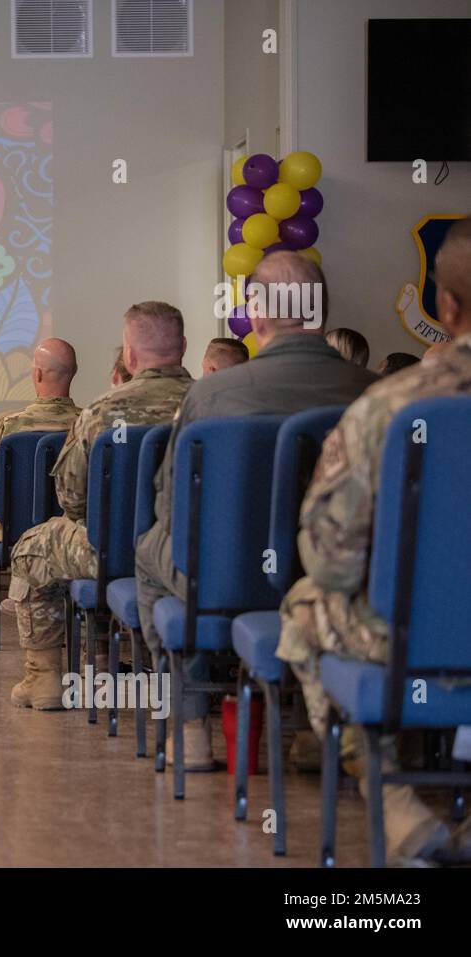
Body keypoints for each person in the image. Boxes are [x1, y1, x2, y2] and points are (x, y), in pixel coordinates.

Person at [134, 252, 378, 769]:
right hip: (340, 581)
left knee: (150, 550)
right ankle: (320, 728)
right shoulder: (373, 394)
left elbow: (170, 505)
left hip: (229, 580)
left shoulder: (213, 394)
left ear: (257, 314)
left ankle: (190, 724)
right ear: (321, 312)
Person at [278, 217, 471, 864]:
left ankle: (394, 800)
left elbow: (331, 560)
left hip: (412, 640)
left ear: (444, 306)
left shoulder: (391, 407)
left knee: (304, 607)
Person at [7, 302, 194, 708]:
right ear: (182, 345)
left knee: (29, 548)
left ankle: (46, 680)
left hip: (114, 553)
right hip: (199, 553)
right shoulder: (213, 402)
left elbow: (71, 499)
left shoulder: (103, 412)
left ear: (129, 354)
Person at [0, 339, 81, 543]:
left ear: (37, 373)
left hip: (15, 536)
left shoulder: (6, 425)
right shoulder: (91, 425)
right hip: (75, 537)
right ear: (74, 372)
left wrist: (2, 525)